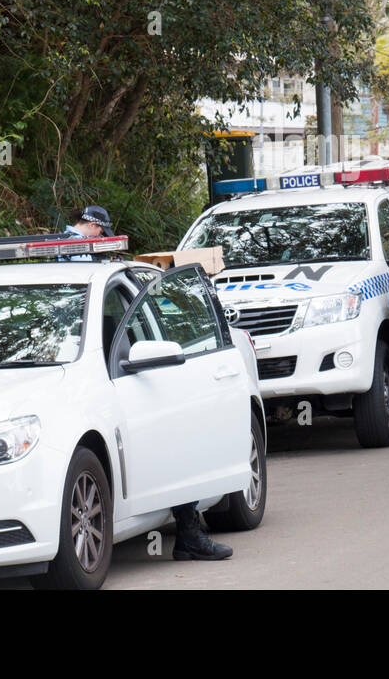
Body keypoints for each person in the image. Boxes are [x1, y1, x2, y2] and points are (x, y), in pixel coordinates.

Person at [68, 203, 232, 559]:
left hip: (121, 373)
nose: (104, 239)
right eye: (103, 233)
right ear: (95, 228)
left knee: (179, 444)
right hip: (107, 377)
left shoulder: (63, 259)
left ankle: (189, 534)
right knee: (182, 450)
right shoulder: (84, 263)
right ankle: (189, 535)